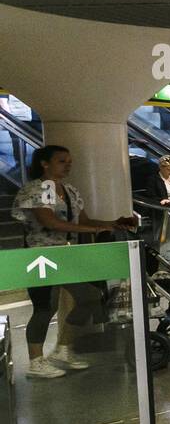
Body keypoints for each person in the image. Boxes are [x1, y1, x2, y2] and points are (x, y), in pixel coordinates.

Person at [12, 145, 136, 379]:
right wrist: (94, 228)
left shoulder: (68, 190)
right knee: (45, 307)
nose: (68, 165)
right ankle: (35, 361)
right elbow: (49, 222)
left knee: (89, 298)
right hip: (41, 256)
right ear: (44, 164)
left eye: (69, 161)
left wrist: (112, 223)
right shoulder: (36, 189)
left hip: (67, 255)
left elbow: (85, 220)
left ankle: (63, 348)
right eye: (61, 161)